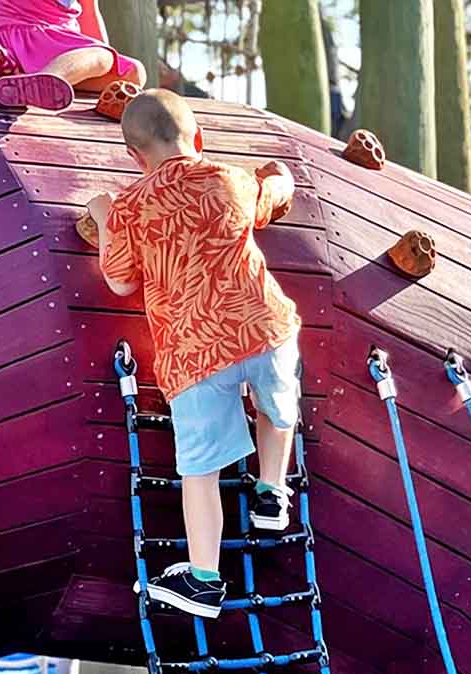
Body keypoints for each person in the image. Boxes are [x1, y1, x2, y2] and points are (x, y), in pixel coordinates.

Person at [86, 89, 301, 620]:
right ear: (198, 136)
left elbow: (117, 281)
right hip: (262, 326)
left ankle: (204, 580)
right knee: (278, 408)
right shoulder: (229, 179)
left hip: (194, 351)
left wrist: (105, 216)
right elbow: (273, 192)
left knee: (200, 473)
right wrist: (281, 176)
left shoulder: (134, 208)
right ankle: (271, 490)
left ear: (135, 158)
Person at [0, 0, 146, 112]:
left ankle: (19, 75)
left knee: (132, 73)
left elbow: (89, 15)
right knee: (106, 57)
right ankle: (47, 80)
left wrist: (103, 62)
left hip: (58, 48)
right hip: (26, 35)